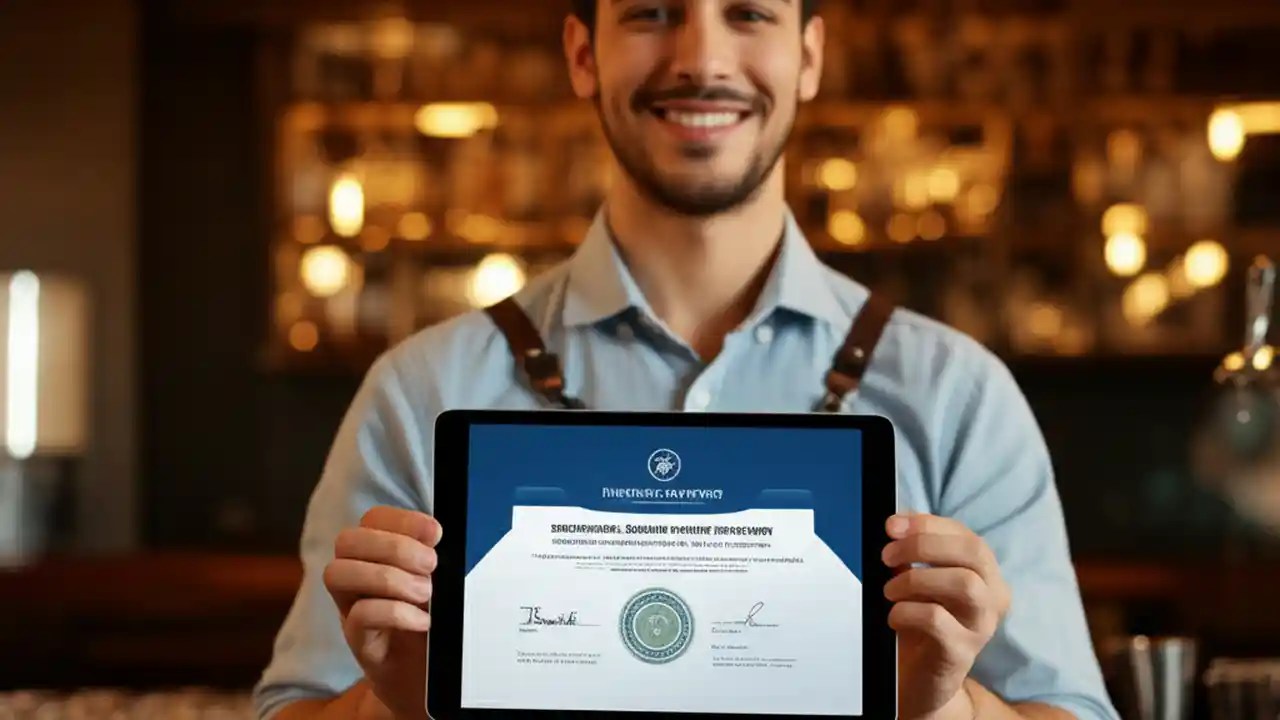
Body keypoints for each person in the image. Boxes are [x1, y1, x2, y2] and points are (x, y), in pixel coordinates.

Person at [253, 1, 1120, 718]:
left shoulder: (959, 396)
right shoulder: (420, 391)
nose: (701, 58)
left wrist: (946, 706)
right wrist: (396, 704)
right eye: (651, 14)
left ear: (808, 56)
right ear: (583, 54)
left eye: (748, 14)